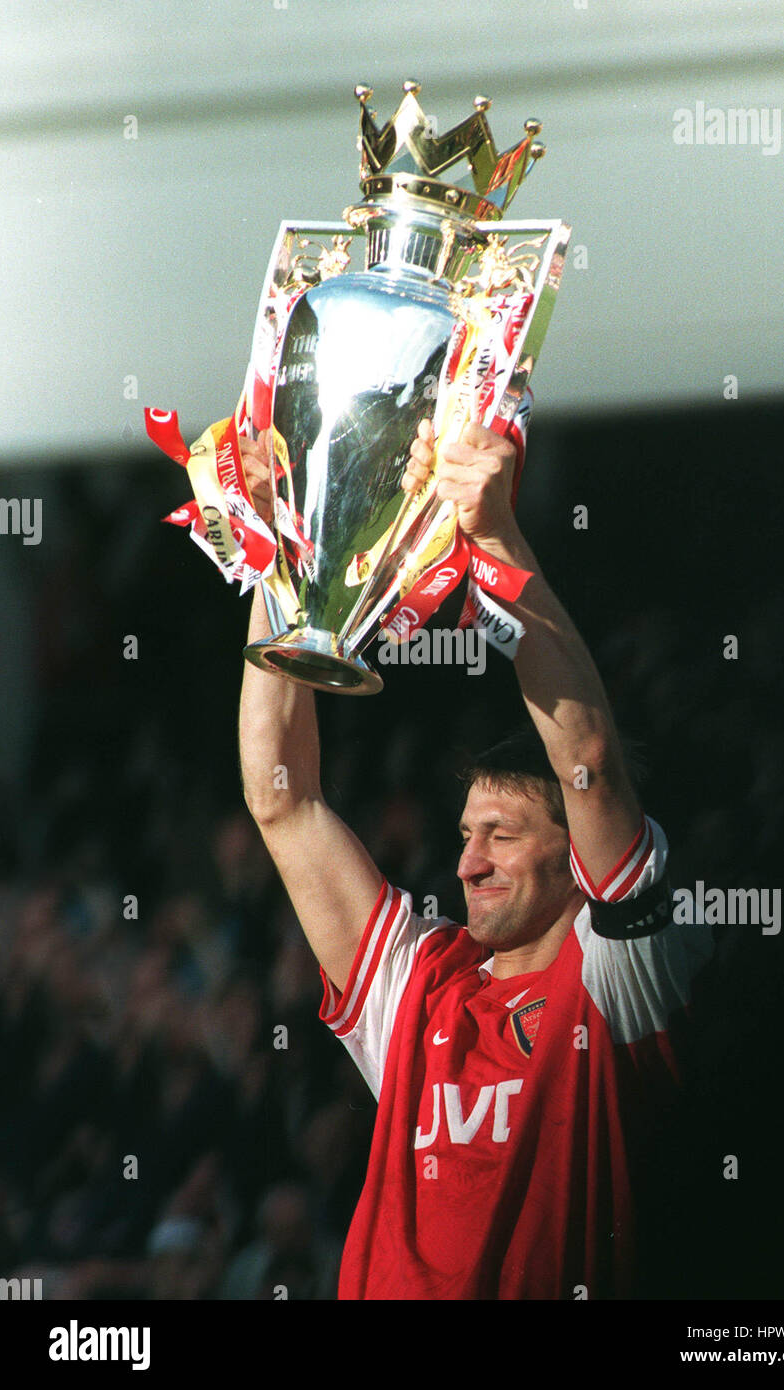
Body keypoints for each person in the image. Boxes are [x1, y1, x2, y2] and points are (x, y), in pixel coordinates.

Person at [237, 419, 714, 1300]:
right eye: (464, 834)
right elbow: (283, 799)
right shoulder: (419, 983)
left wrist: (494, 536)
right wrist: (279, 556)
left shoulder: (620, 979)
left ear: (582, 860)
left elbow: (591, 760)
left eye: (503, 834)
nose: (468, 864)